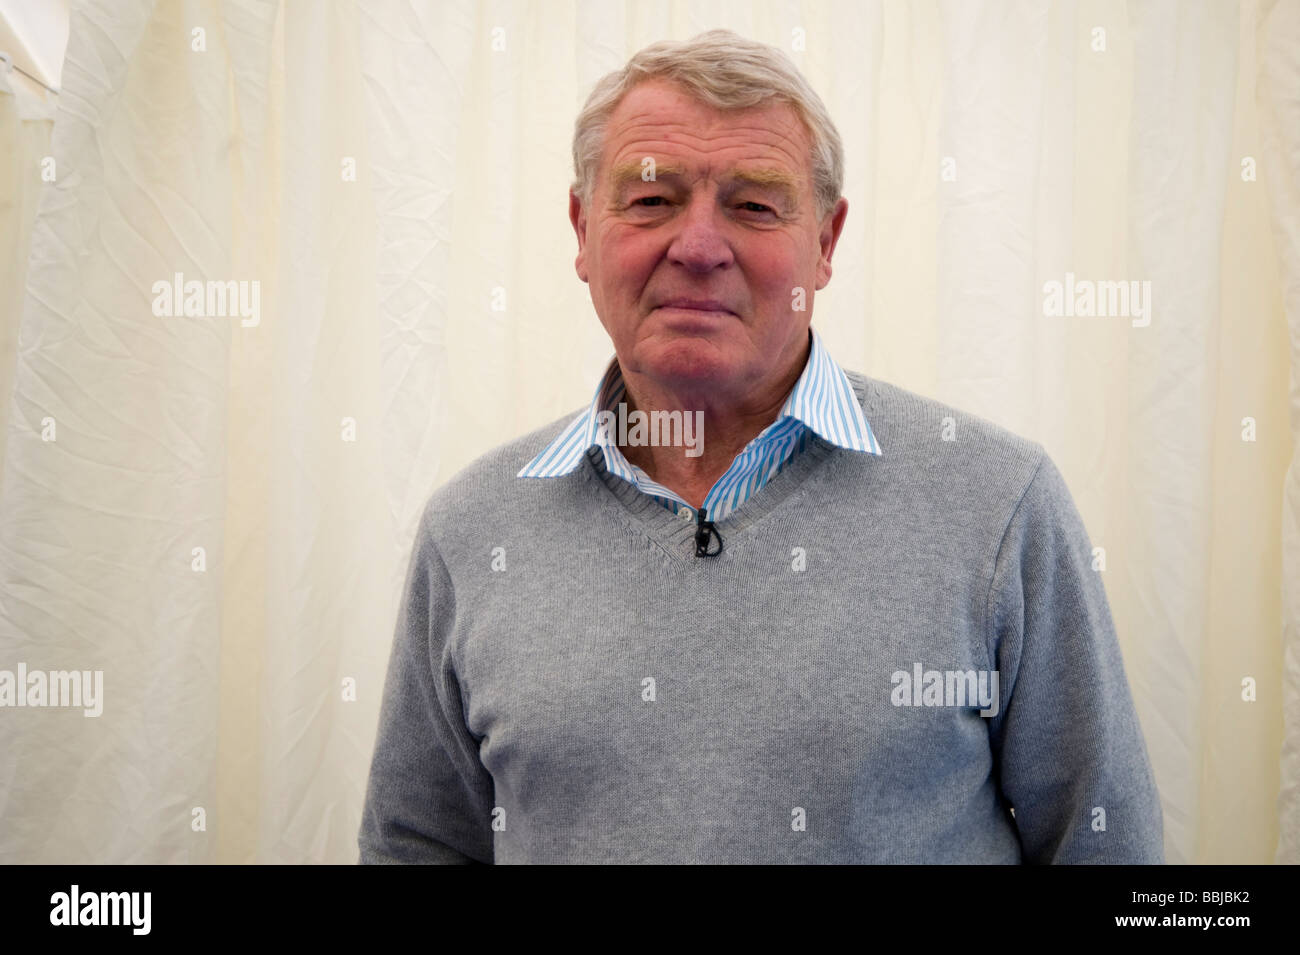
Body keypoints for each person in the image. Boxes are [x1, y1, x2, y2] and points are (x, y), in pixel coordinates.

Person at [357, 28, 1164, 864]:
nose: (699, 246)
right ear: (581, 229)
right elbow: (417, 846)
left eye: (754, 204)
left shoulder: (998, 504)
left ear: (825, 243)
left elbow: (1111, 851)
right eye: (649, 198)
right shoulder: (472, 530)